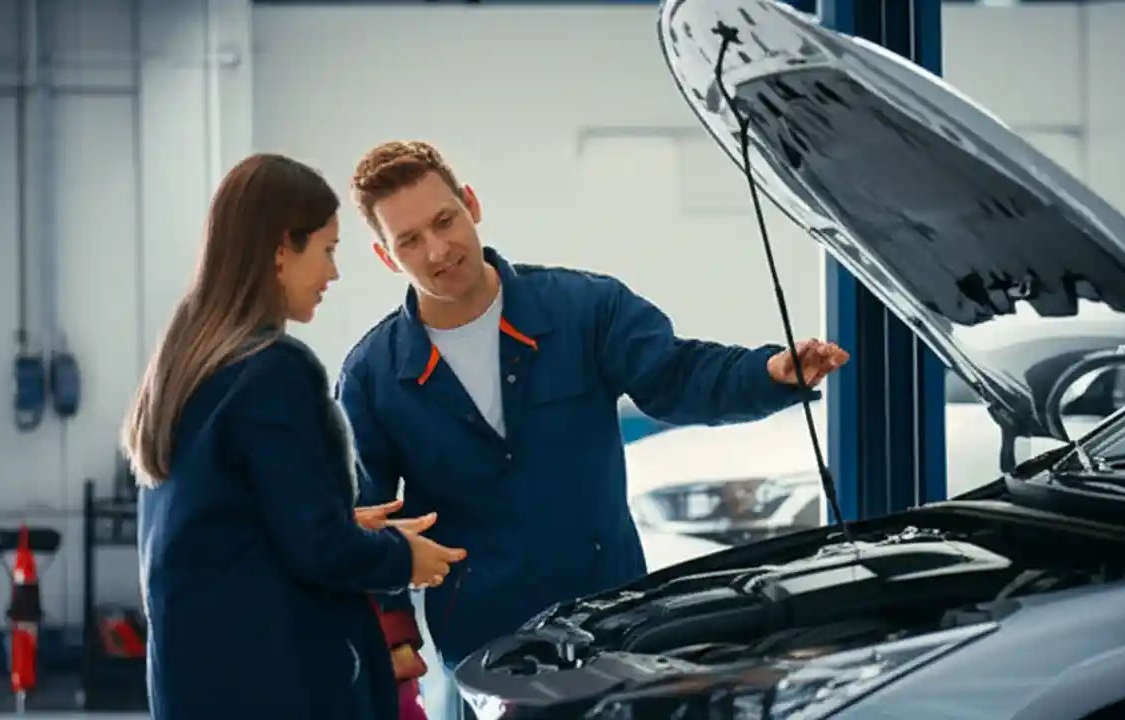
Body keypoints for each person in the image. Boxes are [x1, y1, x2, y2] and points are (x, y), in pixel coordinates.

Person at [336, 140, 850, 714]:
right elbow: (366, 519)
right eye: (409, 240)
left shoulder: (584, 310)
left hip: (616, 619)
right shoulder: (372, 376)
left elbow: (677, 374)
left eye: (444, 221)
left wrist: (771, 373)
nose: (437, 249)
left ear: (471, 205)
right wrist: (395, 640)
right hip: (486, 648)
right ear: (387, 257)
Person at [121, 153, 465, 720]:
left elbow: (224, 526)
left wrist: (347, 521)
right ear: (282, 250)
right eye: (327, 251)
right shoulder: (274, 371)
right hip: (276, 687)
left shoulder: (185, 366)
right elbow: (319, 549)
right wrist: (404, 559)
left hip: (197, 687)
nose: (332, 273)